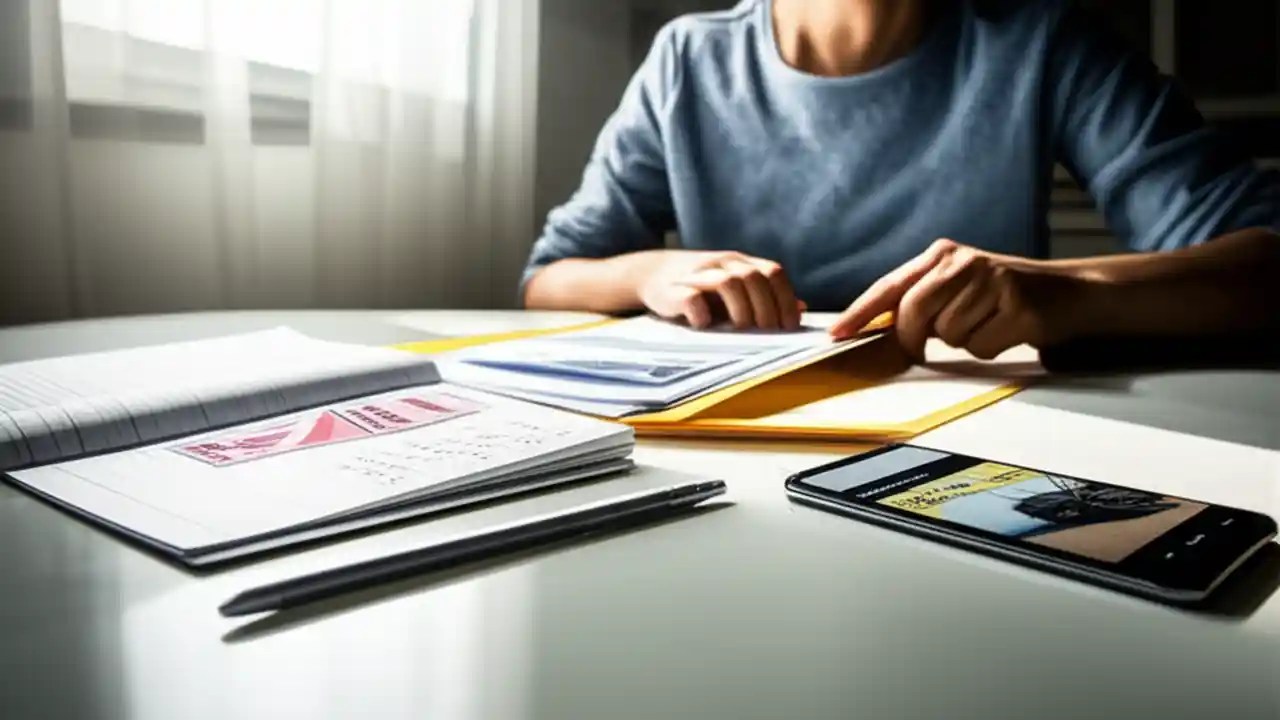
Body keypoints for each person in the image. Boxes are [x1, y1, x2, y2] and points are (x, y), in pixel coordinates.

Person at [521, 0, 1280, 360]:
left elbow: (1265, 262)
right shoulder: (688, 62)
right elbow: (548, 280)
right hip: (731, 455)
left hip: (986, 444)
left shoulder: (1043, 45)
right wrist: (658, 271)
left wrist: (1064, 290)